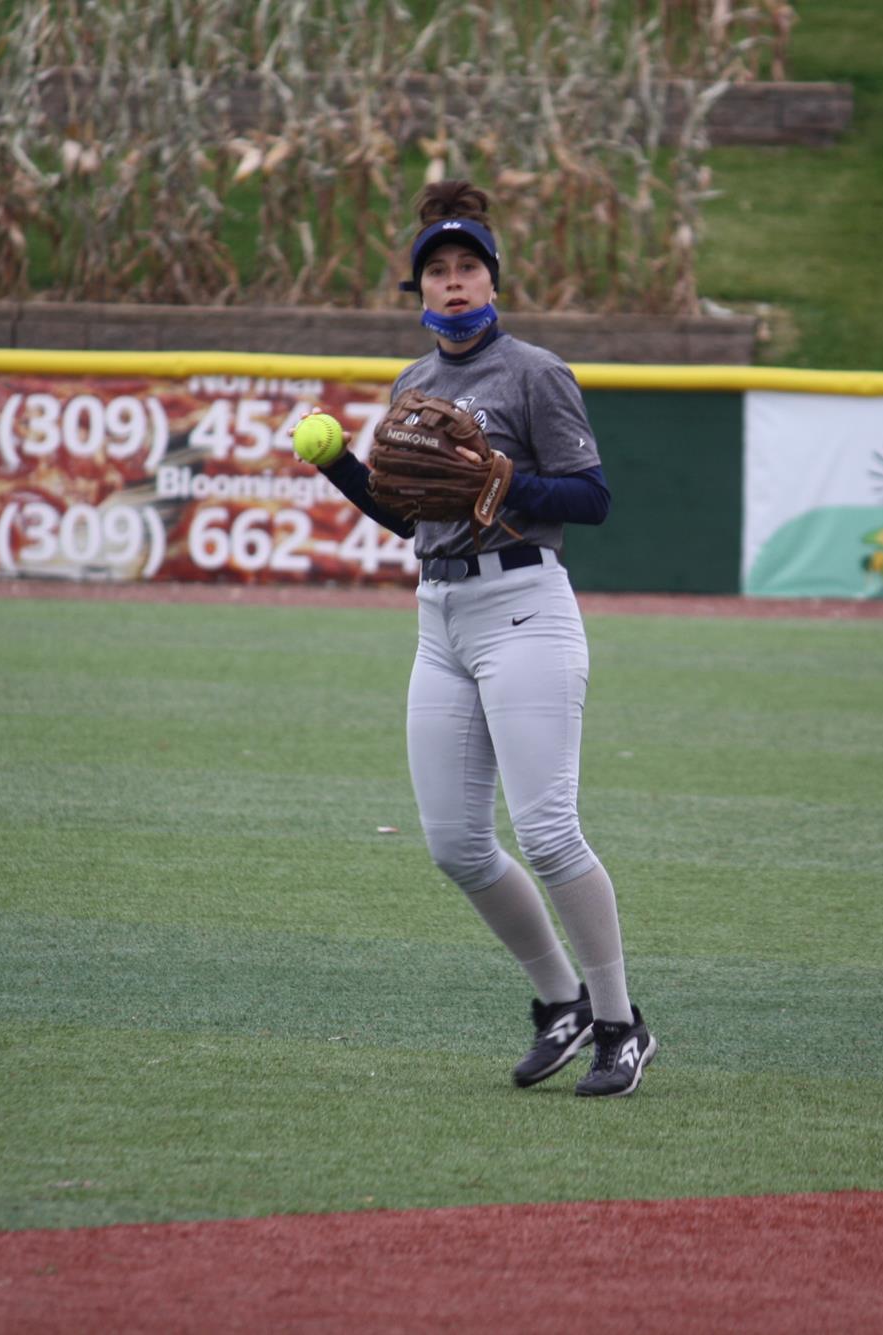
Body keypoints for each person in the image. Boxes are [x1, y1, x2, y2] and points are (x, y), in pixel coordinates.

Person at [296, 180, 655, 1097]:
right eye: (437, 271)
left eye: (467, 267)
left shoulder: (535, 373)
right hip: (439, 617)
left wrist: (502, 477)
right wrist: (343, 464)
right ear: (419, 291)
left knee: (547, 830)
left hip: (527, 606)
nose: (453, 283)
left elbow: (595, 500)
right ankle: (559, 1003)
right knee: (455, 842)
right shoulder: (413, 383)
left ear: (492, 279)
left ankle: (621, 1022)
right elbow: (407, 511)